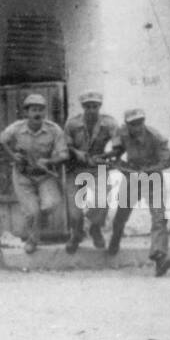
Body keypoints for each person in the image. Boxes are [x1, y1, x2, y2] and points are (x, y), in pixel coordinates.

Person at [106, 109, 170, 277]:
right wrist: (113, 160)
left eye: (140, 123)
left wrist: (150, 170)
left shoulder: (155, 137)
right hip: (133, 175)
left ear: (144, 122)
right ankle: (116, 237)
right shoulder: (121, 132)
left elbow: (167, 160)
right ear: (127, 125)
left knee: (159, 217)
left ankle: (160, 258)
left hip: (152, 177)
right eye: (133, 124)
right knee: (122, 214)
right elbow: (117, 151)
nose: (137, 127)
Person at [0, 93, 69, 254]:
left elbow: (64, 154)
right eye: (34, 110)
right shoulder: (16, 128)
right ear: (26, 113)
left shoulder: (54, 130)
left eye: (41, 110)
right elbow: (2, 139)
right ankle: (32, 239)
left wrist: (49, 161)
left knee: (51, 204)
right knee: (32, 211)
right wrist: (12, 155)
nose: (38, 114)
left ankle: (39, 220)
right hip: (23, 175)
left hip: (45, 175)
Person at [63, 91, 118, 253]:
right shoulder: (72, 123)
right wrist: (77, 153)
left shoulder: (109, 123)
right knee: (74, 211)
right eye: (88, 107)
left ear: (100, 106)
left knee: (103, 200)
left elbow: (118, 146)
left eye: (95, 106)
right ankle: (76, 234)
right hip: (75, 168)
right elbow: (65, 145)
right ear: (83, 107)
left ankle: (95, 228)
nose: (91, 110)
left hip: (97, 166)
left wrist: (105, 156)